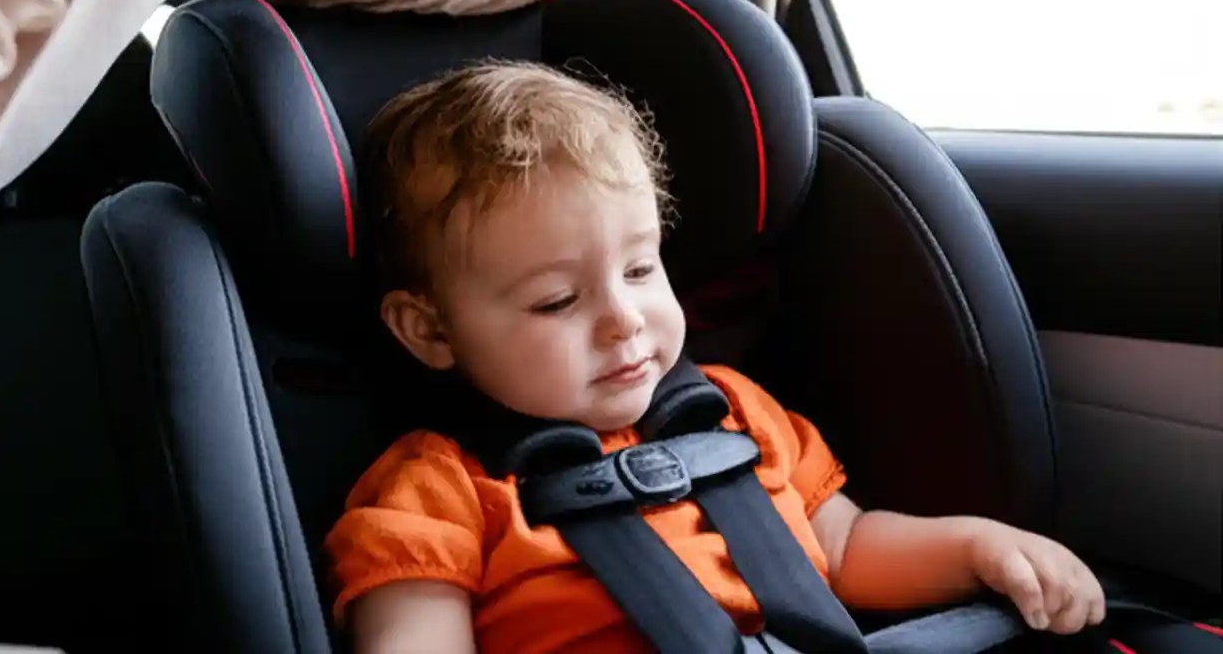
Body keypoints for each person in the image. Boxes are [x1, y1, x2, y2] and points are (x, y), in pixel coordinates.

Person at [323, 60, 1107, 653]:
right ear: (429, 331)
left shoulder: (734, 410)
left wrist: (978, 548)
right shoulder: (435, 491)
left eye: (639, 270)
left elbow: (842, 548)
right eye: (557, 301)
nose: (622, 322)